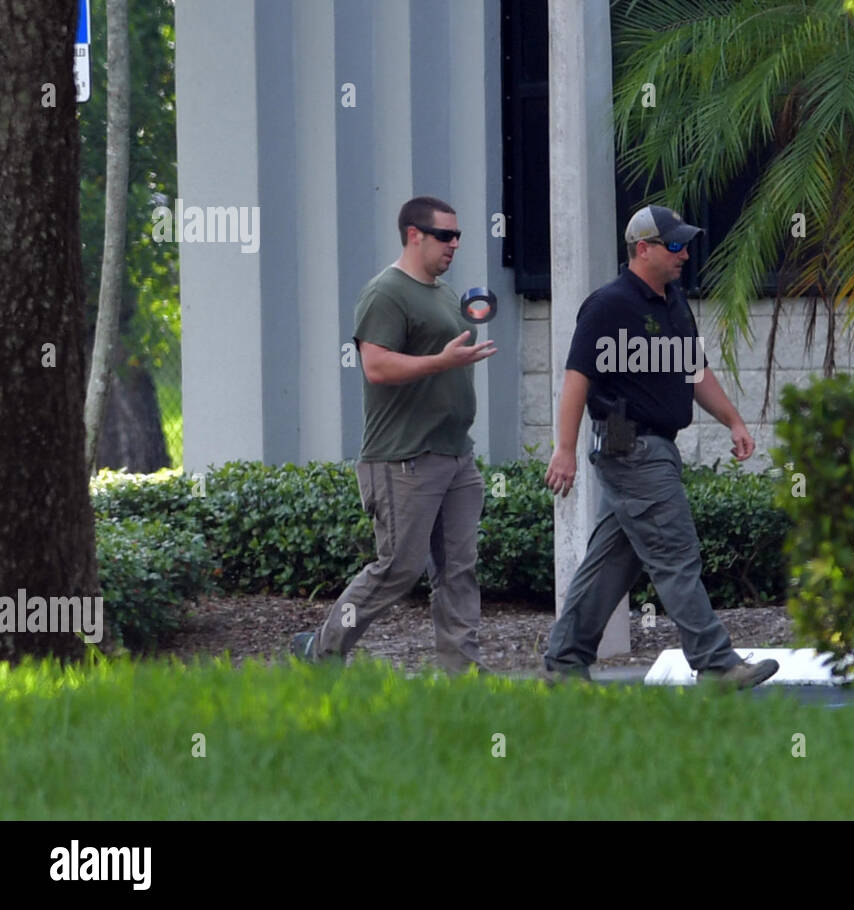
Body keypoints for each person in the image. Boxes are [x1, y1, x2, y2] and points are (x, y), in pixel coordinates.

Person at [542, 205, 779, 688]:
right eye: (674, 246)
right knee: (675, 553)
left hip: (654, 450)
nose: (685, 254)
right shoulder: (608, 305)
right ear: (642, 249)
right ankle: (716, 664)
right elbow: (576, 378)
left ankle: (565, 662)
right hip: (632, 451)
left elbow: (694, 371)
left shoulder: (673, 301)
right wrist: (563, 449)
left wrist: (733, 419)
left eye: (685, 244)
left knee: (614, 559)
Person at [292, 196, 497, 673]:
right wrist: (442, 362)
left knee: (459, 570)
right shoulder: (386, 292)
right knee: (397, 569)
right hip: (403, 458)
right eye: (445, 235)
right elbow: (377, 366)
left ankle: (463, 676)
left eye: (458, 235)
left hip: (454, 455)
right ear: (414, 235)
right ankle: (321, 650)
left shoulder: (444, 293)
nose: (455, 244)